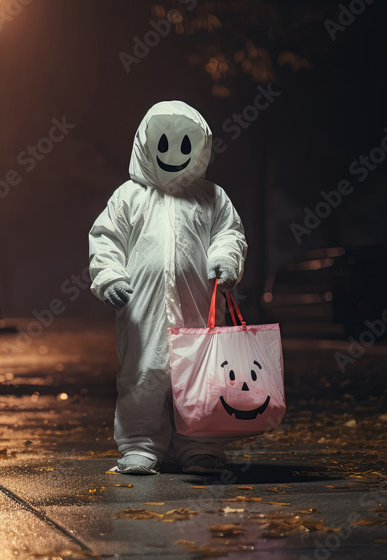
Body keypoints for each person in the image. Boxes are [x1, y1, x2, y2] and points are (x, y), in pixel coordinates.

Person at [88, 101, 247, 476]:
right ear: (145, 144)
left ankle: (202, 446)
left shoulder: (211, 197)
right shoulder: (128, 197)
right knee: (142, 373)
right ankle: (139, 445)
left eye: (184, 146)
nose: (173, 155)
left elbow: (229, 234)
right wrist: (109, 276)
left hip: (198, 305)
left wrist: (227, 260)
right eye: (163, 145)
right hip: (142, 308)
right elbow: (106, 240)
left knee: (200, 376)